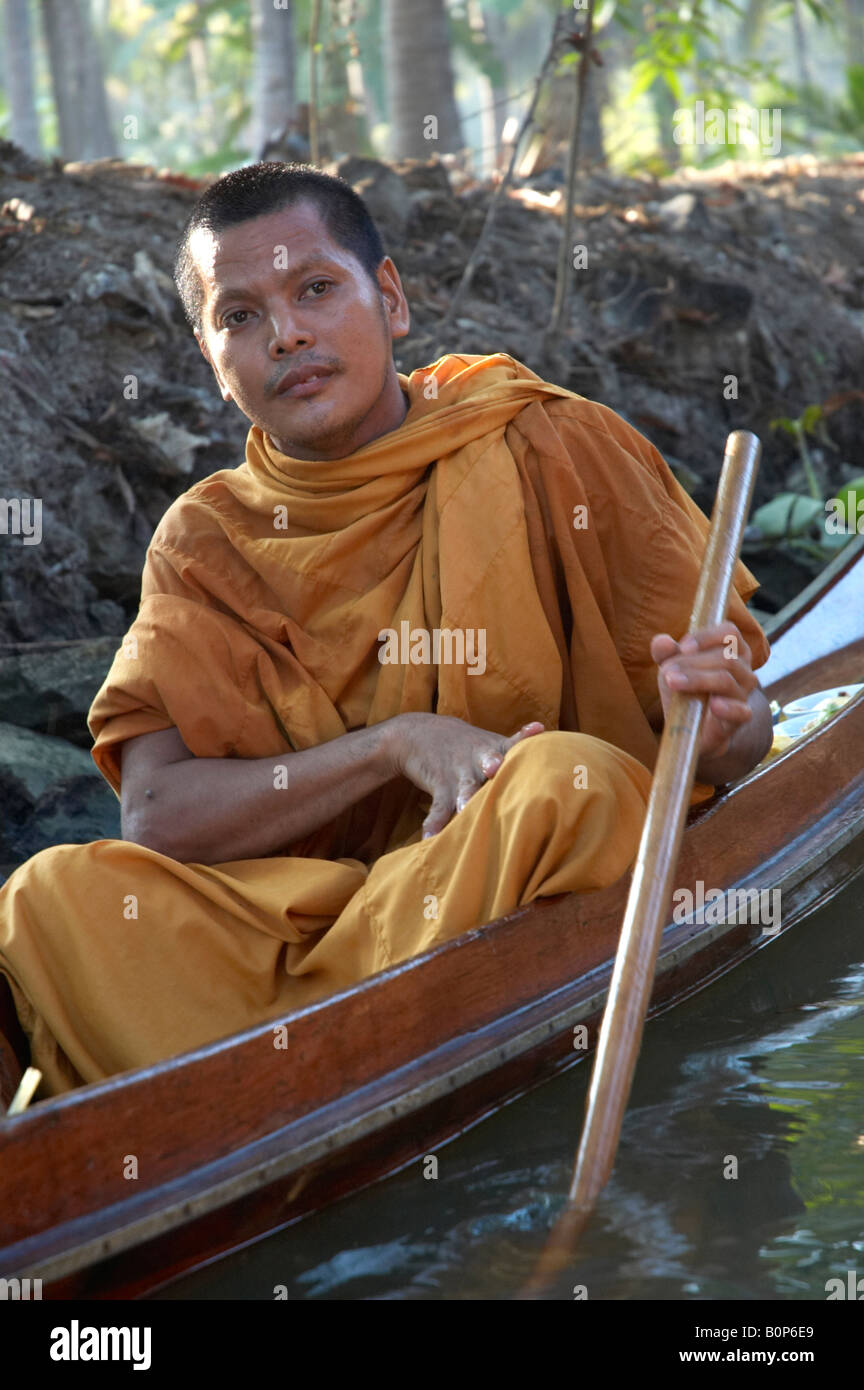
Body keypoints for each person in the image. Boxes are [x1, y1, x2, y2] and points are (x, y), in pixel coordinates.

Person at [0, 163, 772, 1098]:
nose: (286, 334)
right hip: (311, 929)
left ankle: (262, 1083)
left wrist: (728, 727)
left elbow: (737, 743)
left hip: (499, 879)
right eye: (239, 317)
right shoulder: (207, 541)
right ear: (213, 360)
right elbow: (157, 817)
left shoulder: (547, 444)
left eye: (316, 289)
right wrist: (395, 746)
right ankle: (295, 1075)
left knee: (571, 782)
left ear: (391, 299)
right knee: (48, 902)